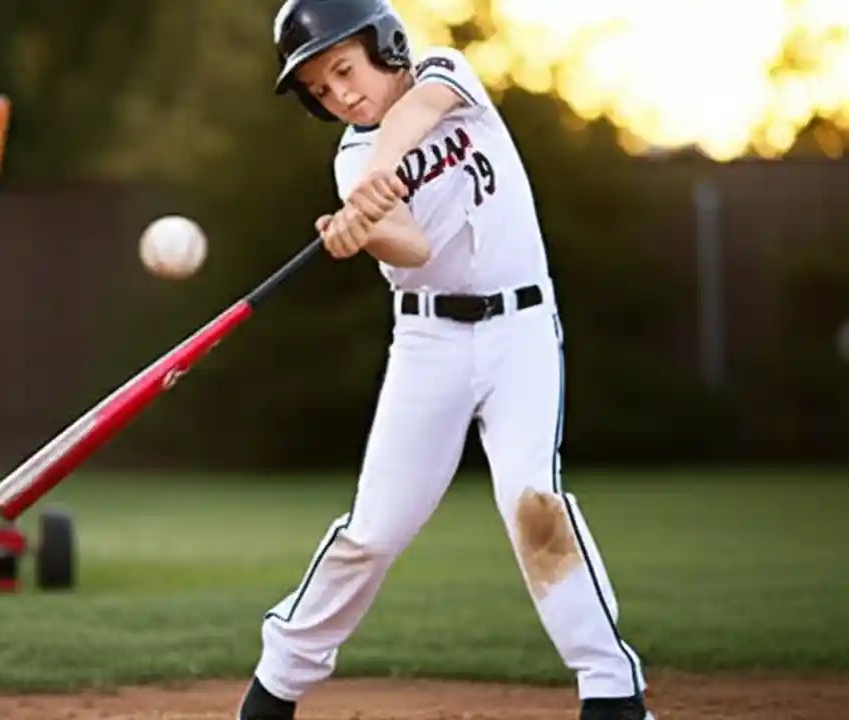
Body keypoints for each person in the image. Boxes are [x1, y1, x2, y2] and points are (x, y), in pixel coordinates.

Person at [237, 1, 655, 719]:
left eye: (344, 69)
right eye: (320, 88)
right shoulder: (349, 161)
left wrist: (384, 171)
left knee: (534, 504)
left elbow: (418, 110)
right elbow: (414, 249)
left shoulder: (444, 73)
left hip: (520, 328)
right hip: (429, 344)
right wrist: (364, 231)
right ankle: (274, 690)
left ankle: (612, 694)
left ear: (384, 45)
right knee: (372, 531)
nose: (340, 94)